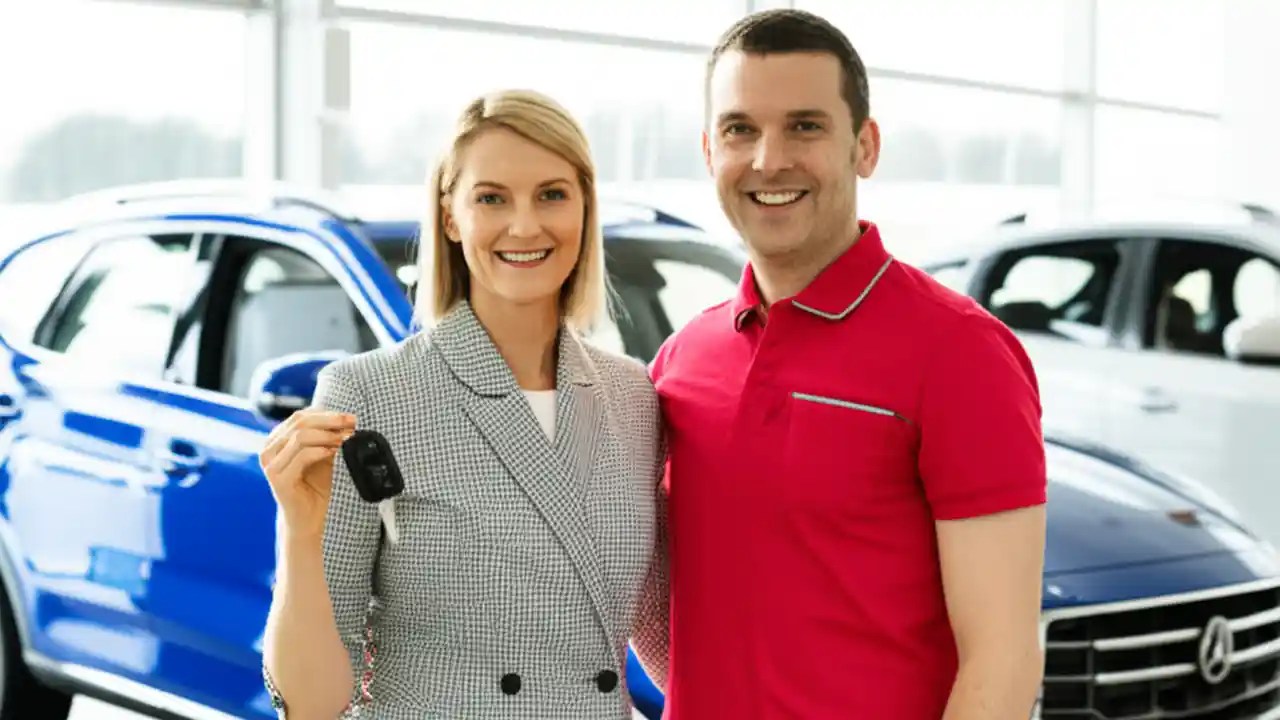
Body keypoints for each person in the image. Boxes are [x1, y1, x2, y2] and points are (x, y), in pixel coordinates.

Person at [646, 9, 1047, 719]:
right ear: (710, 151)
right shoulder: (680, 360)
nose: (769, 159)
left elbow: (1004, 659)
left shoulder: (962, 354)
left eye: (805, 126)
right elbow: (671, 618)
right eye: (741, 129)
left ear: (865, 145)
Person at [258, 89, 667, 719]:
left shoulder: (632, 395)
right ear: (451, 216)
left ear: (585, 208)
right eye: (492, 198)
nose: (525, 225)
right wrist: (299, 532)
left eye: (552, 194)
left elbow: (665, 636)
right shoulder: (370, 393)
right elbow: (313, 706)